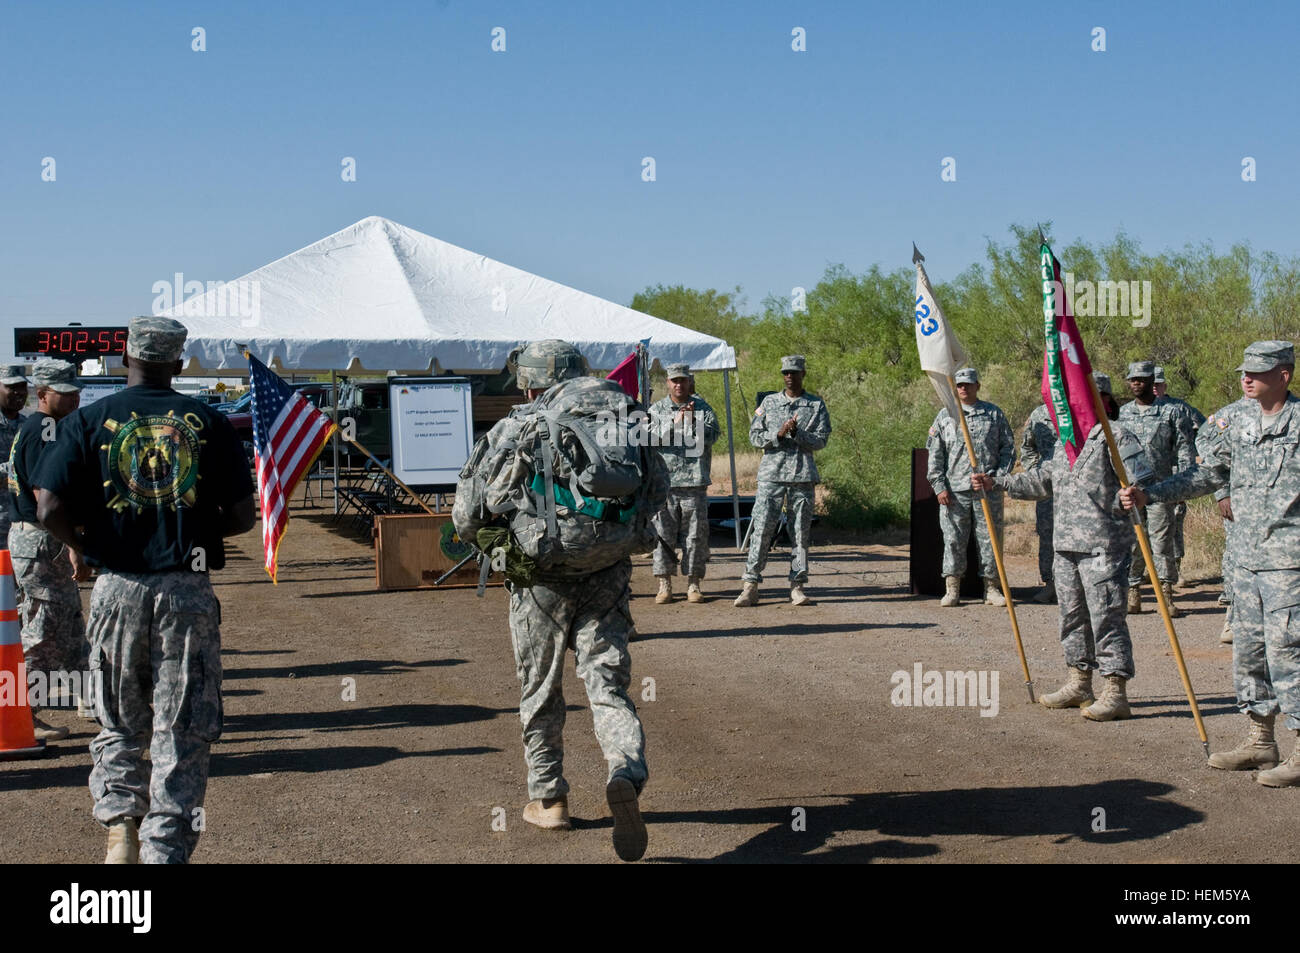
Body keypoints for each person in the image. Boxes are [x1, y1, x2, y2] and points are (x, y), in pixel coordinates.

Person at [35, 317, 256, 863]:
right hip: (186, 589)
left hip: (117, 585)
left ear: (124, 358)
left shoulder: (86, 422)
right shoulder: (208, 422)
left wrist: (86, 546)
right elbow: (242, 515)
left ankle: (119, 830)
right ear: (178, 363)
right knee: (181, 725)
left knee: (117, 716)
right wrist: (194, 529)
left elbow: (48, 507)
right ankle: (164, 852)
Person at [452, 339, 661, 861]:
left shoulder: (521, 424)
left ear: (531, 381)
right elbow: (657, 494)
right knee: (607, 681)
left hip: (539, 576)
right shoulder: (626, 415)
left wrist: (496, 544)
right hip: (608, 571)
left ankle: (549, 799)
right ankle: (624, 771)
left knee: (540, 687)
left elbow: (467, 515)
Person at [1121, 341, 1300, 786]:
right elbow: (1205, 473)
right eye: (1244, 371)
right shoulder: (1234, 420)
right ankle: (1261, 740)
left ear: (1285, 375)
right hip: (1243, 560)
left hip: (1289, 564)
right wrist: (1151, 493)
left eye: (1258, 372)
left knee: (1289, 655)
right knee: (1249, 652)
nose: (1247, 378)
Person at [975, 410, 1155, 721]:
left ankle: (1115, 691)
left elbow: (1143, 480)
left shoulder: (1117, 436)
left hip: (1104, 544)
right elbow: (1043, 480)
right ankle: (1079, 684)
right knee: (1071, 616)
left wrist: (1135, 495)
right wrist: (997, 482)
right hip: (1065, 545)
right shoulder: (1065, 442)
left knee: (1106, 617)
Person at [7, 359, 89, 743]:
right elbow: (46, 499)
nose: (74, 399)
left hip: (43, 539)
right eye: (65, 393)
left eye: (76, 392)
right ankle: (20, 715)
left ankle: (97, 701)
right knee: (40, 633)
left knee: (70, 628)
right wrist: (74, 543)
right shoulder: (43, 430)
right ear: (42, 395)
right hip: (42, 539)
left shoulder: (42, 427)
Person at [734, 355, 831, 608]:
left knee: (800, 535)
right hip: (771, 477)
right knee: (762, 530)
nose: (789, 376)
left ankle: (797, 585)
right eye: (785, 373)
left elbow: (821, 441)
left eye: (794, 372)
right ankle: (750, 585)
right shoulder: (769, 402)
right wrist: (777, 434)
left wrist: (798, 433)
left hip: (802, 477)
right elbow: (754, 437)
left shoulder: (816, 405)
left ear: (803, 375)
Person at [925, 367, 1014, 608]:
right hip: (955, 491)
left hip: (987, 490)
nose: (964, 388)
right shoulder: (946, 416)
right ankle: (952, 588)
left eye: (968, 384)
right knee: (954, 539)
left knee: (990, 540)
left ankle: (992, 588)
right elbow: (935, 455)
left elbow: (1008, 449)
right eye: (960, 385)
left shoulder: (993, 414)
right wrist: (939, 485)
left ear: (978, 386)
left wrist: (995, 477)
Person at [1118, 361, 1194, 616]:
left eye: (1141, 379)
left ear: (1153, 381)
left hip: (1162, 489)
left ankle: (1166, 594)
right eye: (1132, 379)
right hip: (1131, 491)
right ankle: (1134, 591)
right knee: (1134, 543)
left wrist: (1183, 487)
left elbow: (1185, 450)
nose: (1136, 383)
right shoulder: (1123, 414)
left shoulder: (1172, 412)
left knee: (1162, 542)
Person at [649, 363, 720, 603]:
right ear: (667, 383)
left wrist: (692, 422)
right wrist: (675, 422)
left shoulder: (703, 409)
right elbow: (650, 440)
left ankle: (693, 584)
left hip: (694, 484)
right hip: (664, 484)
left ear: (690, 382)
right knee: (663, 535)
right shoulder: (656, 409)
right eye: (674, 380)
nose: (679, 385)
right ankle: (664, 584)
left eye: (683, 380)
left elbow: (712, 437)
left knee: (695, 537)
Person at [1154, 366, 1207, 588]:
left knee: (1174, 522)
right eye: (1152, 383)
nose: (1155, 388)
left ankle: (1175, 569)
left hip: (1174, 473)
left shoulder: (1180, 408)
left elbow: (1204, 430)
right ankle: (1150, 571)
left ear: (1165, 386)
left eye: (1159, 384)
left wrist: (1189, 470)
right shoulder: (1131, 411)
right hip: (1145, 477)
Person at [1019, 401, 1058, 604]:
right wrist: (1036, 472)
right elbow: (1027, 447)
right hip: (1047, 485)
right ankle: (1050, 584)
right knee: (1047, 532)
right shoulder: (1039, 414)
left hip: (1077, 482)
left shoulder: (1079, 406)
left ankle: (1076, 584)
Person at [0, 364, 29, 548]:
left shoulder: (28, 426)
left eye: (22, 387)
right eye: (11, 387)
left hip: (20, 524)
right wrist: (21, 467)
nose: (19, 392)